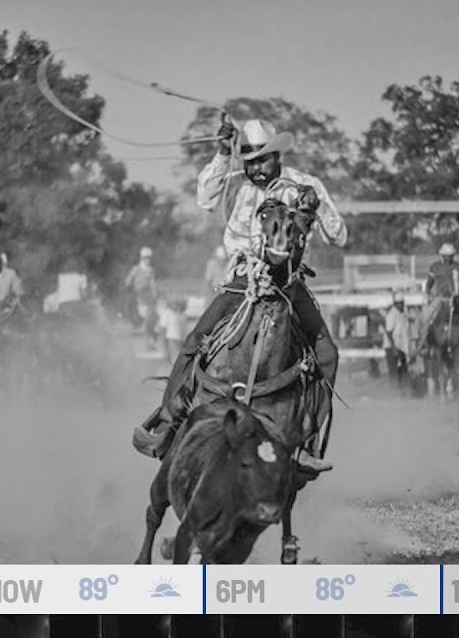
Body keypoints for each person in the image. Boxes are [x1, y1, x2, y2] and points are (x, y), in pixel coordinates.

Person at [132, 118, 347, 472]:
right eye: (248, 161)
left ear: (277, 155)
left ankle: (304, 443)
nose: (255, 168)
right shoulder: (235, 185)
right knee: (193, 341)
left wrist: (316, 206)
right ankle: (168, 425)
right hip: (240, 282)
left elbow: (339, 236)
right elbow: (204, 198)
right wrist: (221, 153)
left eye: (262, 160)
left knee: (327, 354)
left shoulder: (306, 185)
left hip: (288, 286)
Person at [124, 247, 159, 348]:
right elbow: (128, 282)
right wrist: (130, 291)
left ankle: (150, 338)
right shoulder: (136, 269)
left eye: (149, 257)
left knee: (153, 316)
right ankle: (150, 340)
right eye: (145, 257)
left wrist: (155, 295)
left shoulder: (150, 269)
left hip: (148, 294)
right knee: (149, 317)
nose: (147, 259)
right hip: (139, 293)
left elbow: (152, 283)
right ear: (142, 258)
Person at [382, 292, 415, 388]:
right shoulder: (392, 315)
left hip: (401, 348)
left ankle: (403, 393)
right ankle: (394, 394)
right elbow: (388, 332)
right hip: (393, 348)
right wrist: (394, 349)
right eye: (399, 303)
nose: (401, 305)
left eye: (402, 303)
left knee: (403, 372)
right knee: (394, 373)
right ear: (395, 304)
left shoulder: (403, 314)